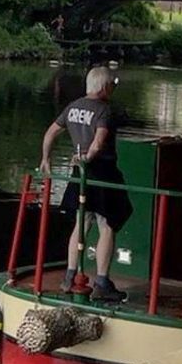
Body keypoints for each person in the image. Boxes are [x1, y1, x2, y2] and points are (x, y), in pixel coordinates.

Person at [39, 66, 133, 303]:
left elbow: (50, 132)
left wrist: (45, 158)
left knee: (82, 222)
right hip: (102, 172)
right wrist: (89, 157)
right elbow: (100, 141)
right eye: (112, 84)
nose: (113, 88)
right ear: (103, 87)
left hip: (79, 173)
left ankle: (69, 277)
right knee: (107, 225)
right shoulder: (104, 110)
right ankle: (102, 282)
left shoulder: (73, 107)